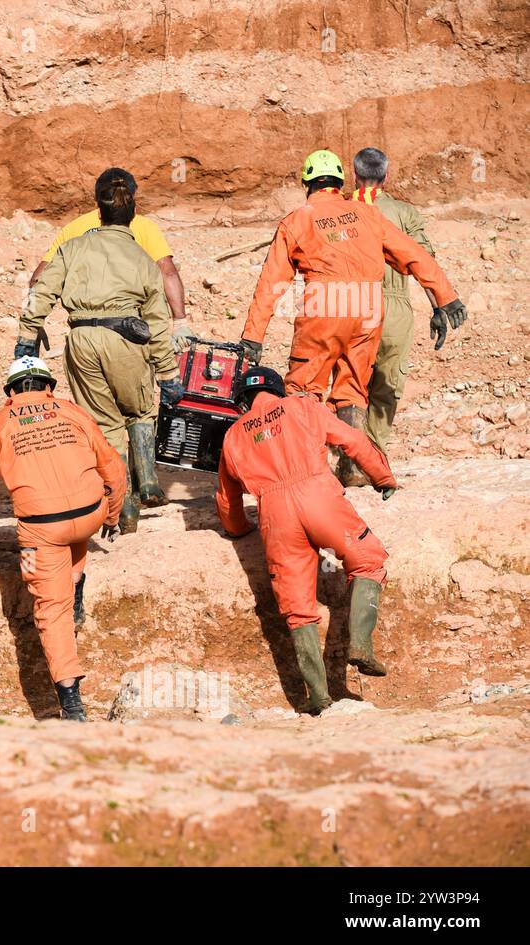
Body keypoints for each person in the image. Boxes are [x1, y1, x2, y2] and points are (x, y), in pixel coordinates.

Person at [239, 149, 465, 485]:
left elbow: (271, 284)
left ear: (307, 183)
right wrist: (446, 297)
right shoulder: (366, 213)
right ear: (341, 182)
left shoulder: (297, 220)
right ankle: (355, 467)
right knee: (353, 388)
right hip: (369, 308)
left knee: (304, 388)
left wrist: (252, 337)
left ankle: (308, 469)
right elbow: (413, 254)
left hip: (325, 306)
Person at [214, 366, 399, 714]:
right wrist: (383, 477)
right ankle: (360, 644)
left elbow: (227, 501)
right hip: (319, 496)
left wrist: (239, 530)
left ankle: (317, 696)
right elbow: (354, 441)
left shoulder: (234, 435)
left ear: (242, 401)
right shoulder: (301, 406)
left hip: (275, 516)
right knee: (368, 561)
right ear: (277, 389)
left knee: (298, 609)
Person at [0, 356, 127, 721]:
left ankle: (71, 703)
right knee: (74, 518)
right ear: (48, 387)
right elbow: (111, 465)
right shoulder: (72, 411)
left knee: (52, 611)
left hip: (43, 529)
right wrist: (112, 515)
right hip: (91, 514)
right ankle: (76, 588)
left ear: (10, 393)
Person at [19, 175, 184, 533]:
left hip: (81, 339)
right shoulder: (142, 257)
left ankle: (122, 506)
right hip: (127, 339)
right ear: (133, 210)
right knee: (139, 408)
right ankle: (149, 482)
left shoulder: (73, 246)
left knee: (104, 425)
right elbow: (156, 323)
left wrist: (27, 334)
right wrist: (168, 375)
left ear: (99, 208)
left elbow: (40, 289)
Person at [349, 147, 452, 466]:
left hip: (347, 306)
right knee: (387, 384)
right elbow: (425, 263)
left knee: (349, 382)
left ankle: (349, 457)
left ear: (355, 176)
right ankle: (373, 456)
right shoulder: (404, 214)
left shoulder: (339, 209)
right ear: (386, 176)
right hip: (393, 309)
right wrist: (438, 309)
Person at [27, 168, 194, 350]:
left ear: (96, 197)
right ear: (132, 197)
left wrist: (33, 323)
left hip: (82, 336)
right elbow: (167, 272)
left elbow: (38, 278)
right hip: (132, 333)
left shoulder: (73, 229)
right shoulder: (143, 226)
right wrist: (180, 323)